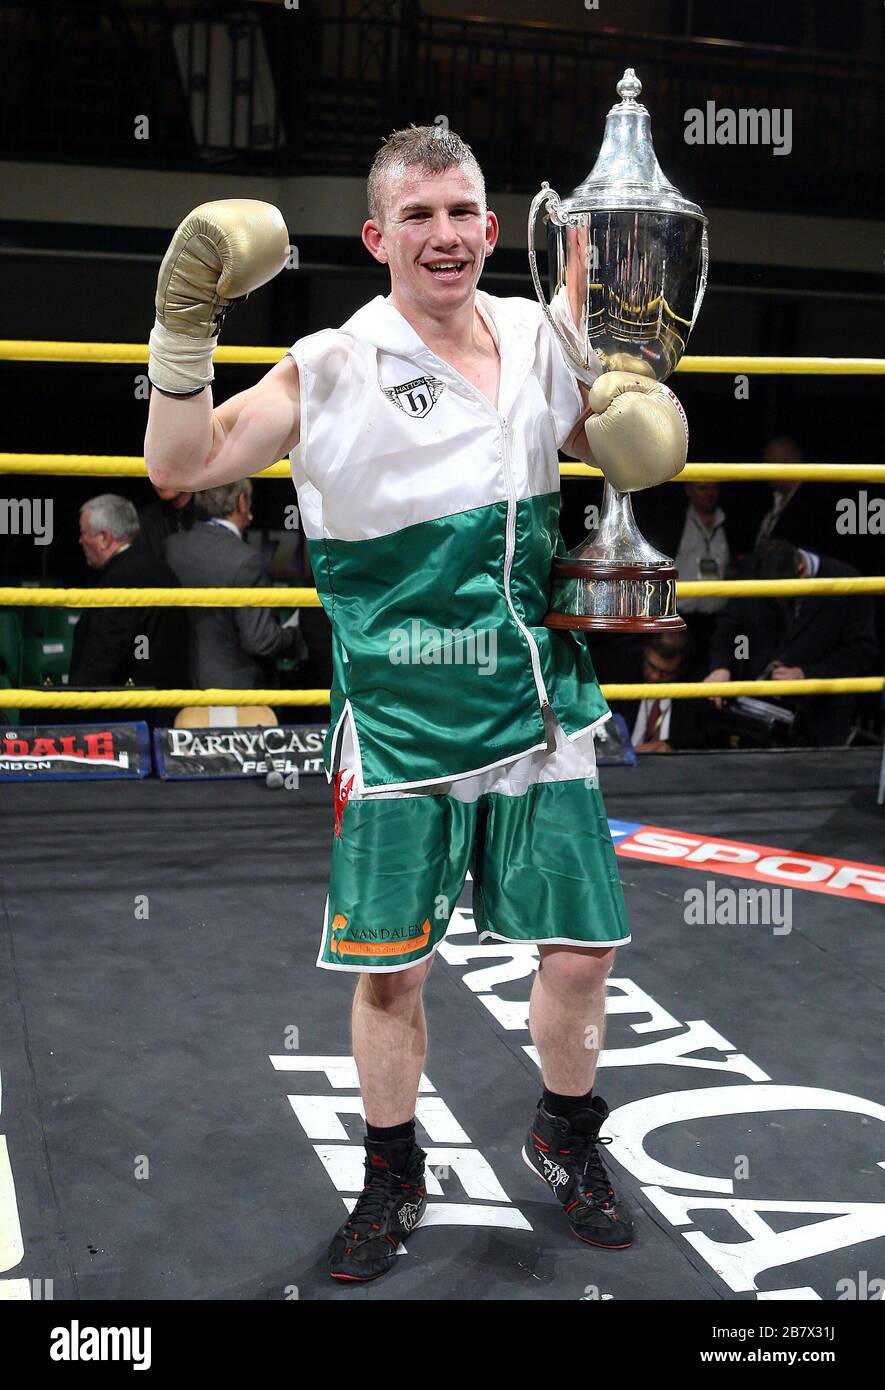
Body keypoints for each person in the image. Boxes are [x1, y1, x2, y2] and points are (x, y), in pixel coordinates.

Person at [143, 130, 689, 1282]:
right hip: (400, 723)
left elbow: (617, 453)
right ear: (377, 236)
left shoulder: (545, 329)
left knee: (584, 955)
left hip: (540, 705)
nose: (444, 234)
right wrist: (184, 321)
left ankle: (565, 1134)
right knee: (392, 972)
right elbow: (180, 463)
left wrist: (631, 407)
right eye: (420, 215)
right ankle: (392, 1175)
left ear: (493, 229)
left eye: (462, 212)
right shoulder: (332, 361)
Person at [704, 538, 878, 746]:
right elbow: (730, 622)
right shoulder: (752, 568)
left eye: (782, 596)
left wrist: (807, 675)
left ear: (801, 570)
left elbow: (861, 650)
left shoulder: (848, 583)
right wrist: (720, 666)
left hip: (817, 717)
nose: (778, 603)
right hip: (752, 712)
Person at [165, 478, 306, 687]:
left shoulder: (172, 547)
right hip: (236, 690)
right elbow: (260, 640)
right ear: (241, 503)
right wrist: (296, 637)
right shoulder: (247, 560)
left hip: (179, 685)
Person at [69, 494, 187, 712]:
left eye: (84, 533)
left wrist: (75, 708)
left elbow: (104, 654)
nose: (81, 540)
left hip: (132, 714)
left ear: (104, 538)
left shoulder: (122, 578)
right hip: (165, 705)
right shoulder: (156, 567)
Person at [608, 630, 708, 752]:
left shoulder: (695, 692)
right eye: (651, 666)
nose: (655, 677)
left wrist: (670, 746)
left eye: (665, 673)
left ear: (682, 669)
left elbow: (704, 738)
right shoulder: (620, 682)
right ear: (646, 653)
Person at [138, 481, 196, 562]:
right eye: (156, 473)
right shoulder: (146, 517)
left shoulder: (210, 511)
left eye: (169, 472)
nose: (160, 482)